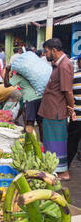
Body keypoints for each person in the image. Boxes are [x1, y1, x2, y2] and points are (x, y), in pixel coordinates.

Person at [38, 38, 75, 180]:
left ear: (54, 50)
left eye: (47, 51)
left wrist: (70, 109)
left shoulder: (64, 65)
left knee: (56, 141)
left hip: (56, 110)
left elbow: (68, 92)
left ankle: (62, 172)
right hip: (50, 109)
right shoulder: (58, 65)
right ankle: (55, 169)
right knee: (51, 141)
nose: (45, 54)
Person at [4, 64, 43, 141]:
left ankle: (29, 143)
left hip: (30, 99)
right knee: (40, 122)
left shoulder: (19, 75)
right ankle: (43, 143)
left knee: (29, 122)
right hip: (39, 96)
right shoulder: (32, 73)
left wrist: (7, 71)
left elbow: (6, 84)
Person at [67, 55, 81, 169]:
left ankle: (65, 167)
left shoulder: (74, 76)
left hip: (76, 117)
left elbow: (69, 94)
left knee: (72, 143)